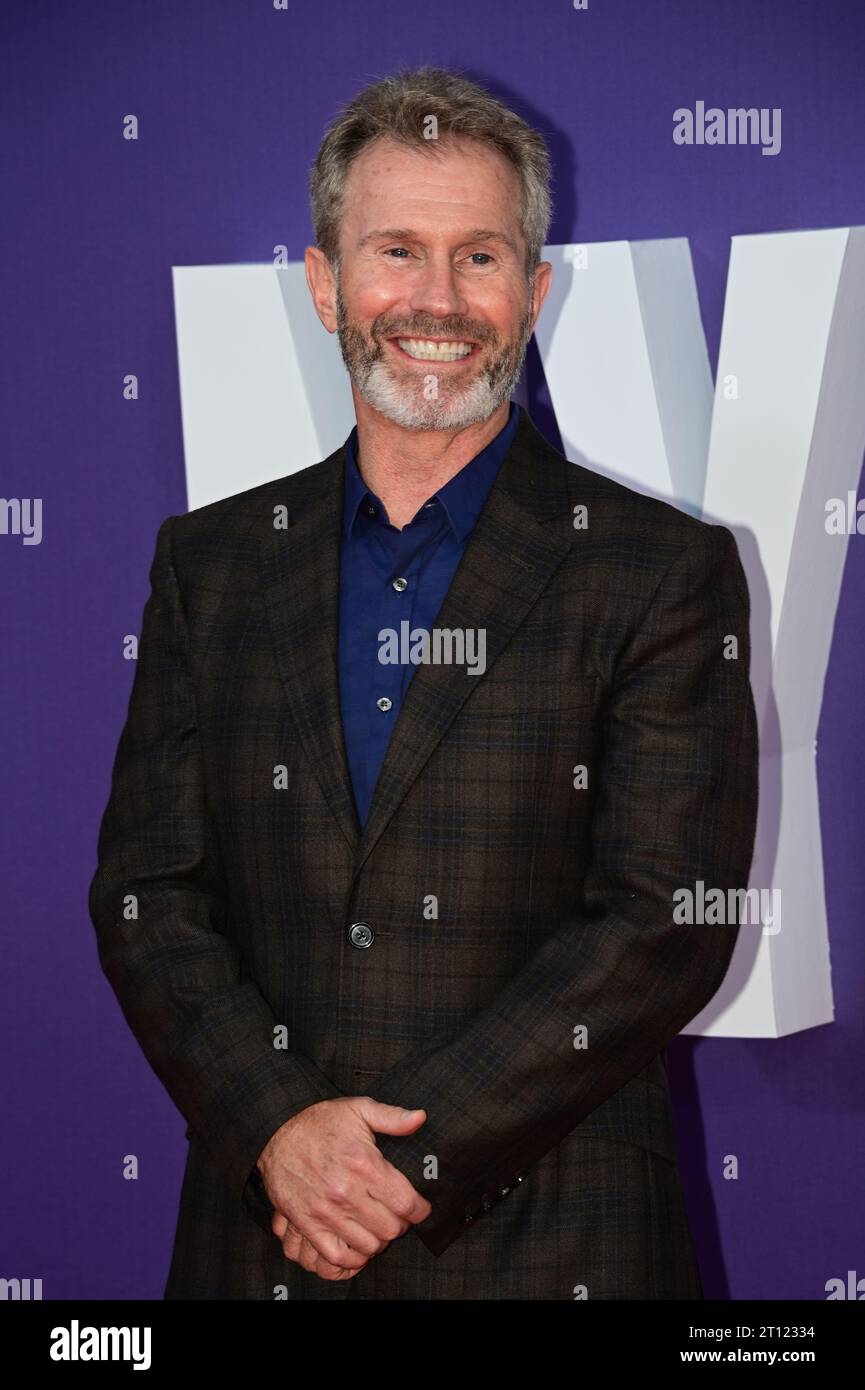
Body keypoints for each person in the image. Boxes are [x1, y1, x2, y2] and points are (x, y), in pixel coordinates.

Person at [89, 65, 759, 1300]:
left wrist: (401, 1165)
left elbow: (666, 919)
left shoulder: (660, 571)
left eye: (481, 258)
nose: (437, 301)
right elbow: (147, 893)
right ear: (322, 281)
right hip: (264, 1240)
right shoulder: (213, 564)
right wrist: (283, 1131)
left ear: (536, 289)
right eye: (396, 251)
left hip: (556, 1242)